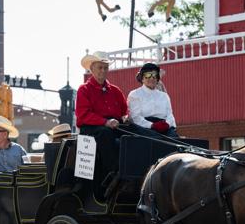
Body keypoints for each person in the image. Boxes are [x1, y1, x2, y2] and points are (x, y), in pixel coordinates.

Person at [76, 51, 128, 198]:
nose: (103, 71)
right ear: (92, 69)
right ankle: (113, 174)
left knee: (134, 133)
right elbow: (83, 115)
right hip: (91, 128)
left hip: (114, 125)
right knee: (106, 134)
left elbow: (124, 111)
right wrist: (105, 122)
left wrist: (125, 118)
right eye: (100, 67)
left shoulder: (115, 91)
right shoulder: (84, 90)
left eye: (105, 68)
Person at [127, 63, 178, 138]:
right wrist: (152, 125)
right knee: (157, 139)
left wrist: (167, 124)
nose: (151, 78)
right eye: (148, 75)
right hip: (144, 127)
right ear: (142, 78)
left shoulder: (164, 96)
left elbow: (170, 115)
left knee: (175, 139)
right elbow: (135, 117)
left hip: (163, 125)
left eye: (154, 75)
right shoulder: (134, 94)